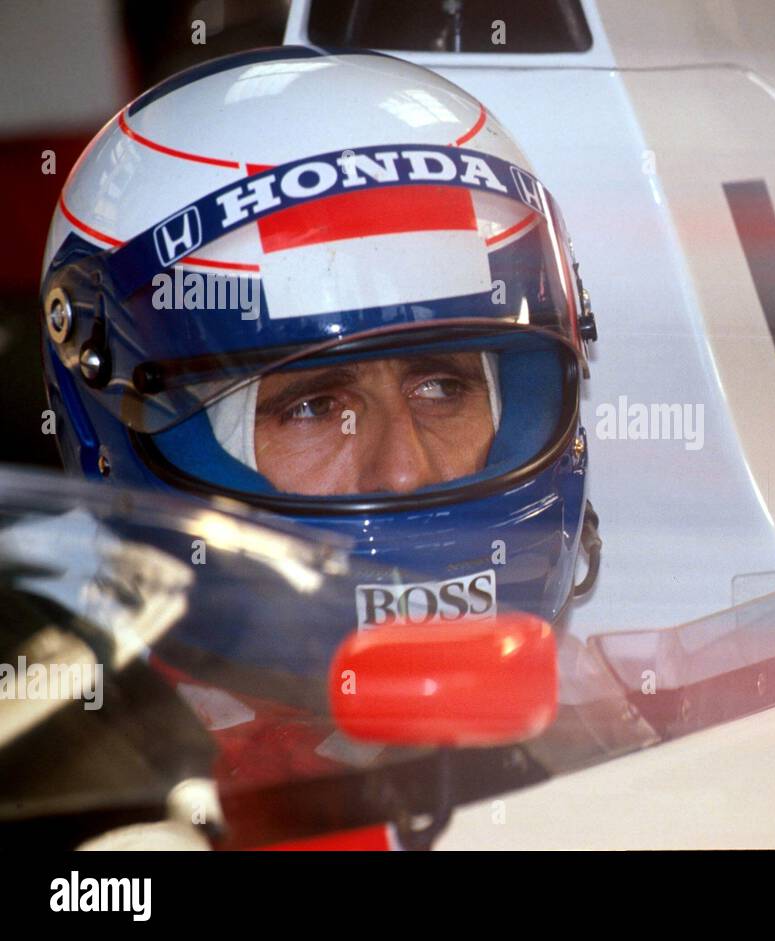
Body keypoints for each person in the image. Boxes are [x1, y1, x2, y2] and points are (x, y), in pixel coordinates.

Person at [39, 47, 600, 680]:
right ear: (102, 439)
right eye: (314, 406)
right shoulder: (44, 740)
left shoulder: (646, 741)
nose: (404, 472)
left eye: (441, 386)